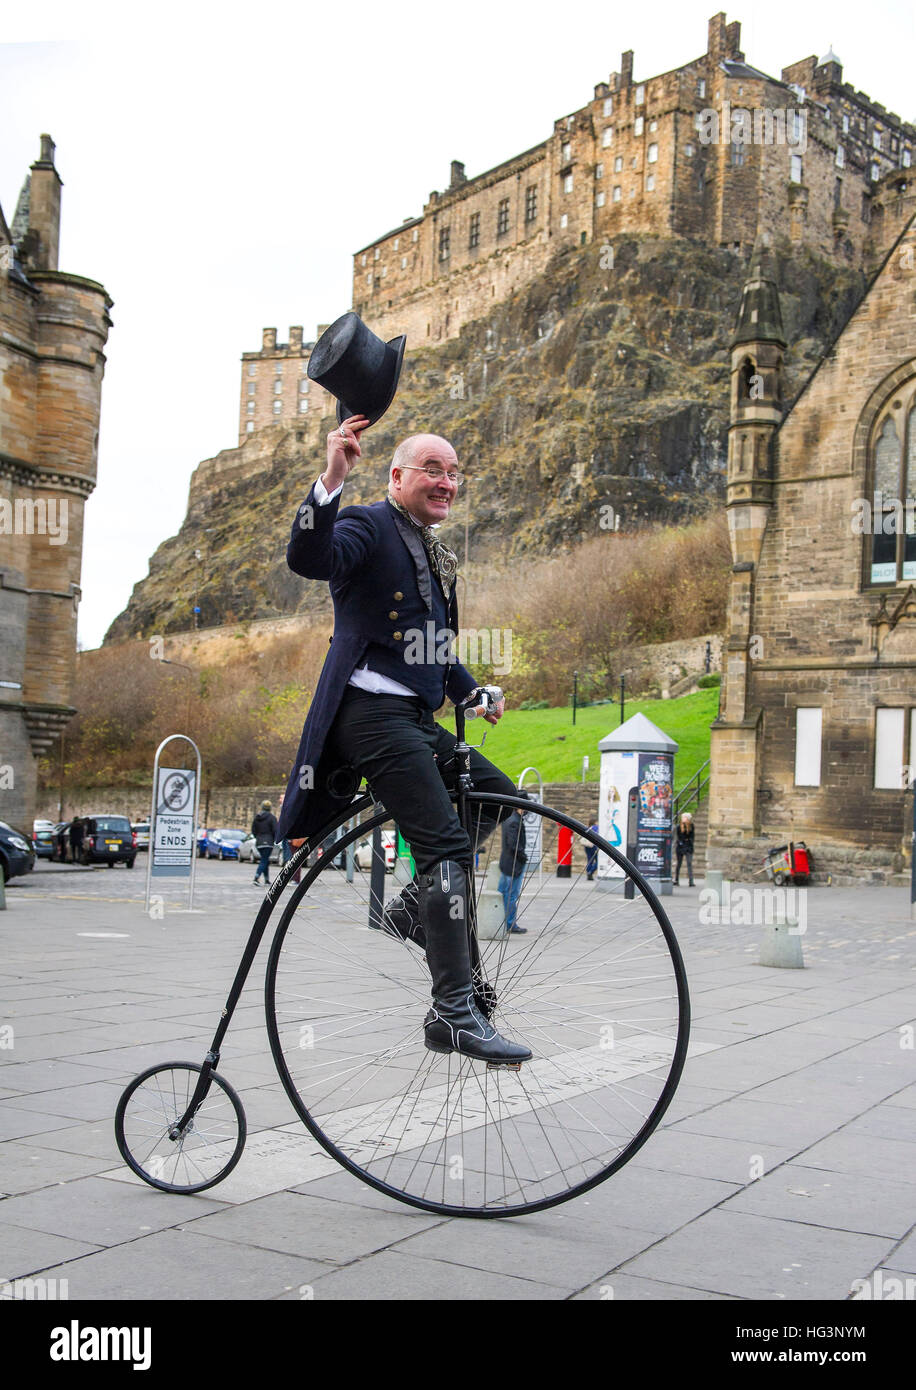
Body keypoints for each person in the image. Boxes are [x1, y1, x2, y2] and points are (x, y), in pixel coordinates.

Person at [277, 416, 530, 1065]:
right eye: (432, 470)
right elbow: (308, 557)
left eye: (453, 474)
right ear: (397, 477)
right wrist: (331, 477)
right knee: (444, 843)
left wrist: (472, 691)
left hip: (415, 719)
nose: (446, 482)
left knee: (499, 796)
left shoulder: (430, 551)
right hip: (370, 716)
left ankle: (415, 908)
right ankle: (452, 1011)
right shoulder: (366, 525)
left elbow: (434, 651)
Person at [498, 810, 528, 933]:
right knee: (511, 895)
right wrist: (523, 856)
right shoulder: (515, 822)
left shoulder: (509, 818)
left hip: (506, 863)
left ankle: (500, 921)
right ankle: (510, 924)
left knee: (503, 893)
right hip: (513, 864)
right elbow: (513, 844)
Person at [251, 800, 278, 886]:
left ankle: (266, 879)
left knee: (265, 859)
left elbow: (253, 830)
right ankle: (256, 877)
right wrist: (274, 839)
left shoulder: (257, 817)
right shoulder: (272, 818)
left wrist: (258, 837)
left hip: (259, 842)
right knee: (264, 860)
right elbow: (275, 830)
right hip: (268, 842)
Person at [675, 811, 695, 886]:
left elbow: (692, 837)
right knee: (679, 864)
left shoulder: (691, 826)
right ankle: (676, 880)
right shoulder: (678, 826)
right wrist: (682, 842)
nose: (683, 819)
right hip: (680, 847)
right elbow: (678, 837)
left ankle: (691, 881)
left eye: (684, 817)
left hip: (688, 847)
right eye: (683, 817)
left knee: (689, 863)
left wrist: (688, 841)